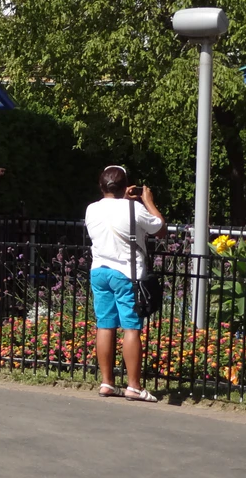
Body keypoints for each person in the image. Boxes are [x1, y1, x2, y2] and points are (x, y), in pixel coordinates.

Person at [85, 165, 165, 401]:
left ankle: (106, 383)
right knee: (131, 327)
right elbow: (160, 229)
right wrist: (147, 200)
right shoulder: (135, 208)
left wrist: (122, 198)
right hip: (126, 274)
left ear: (101, 186)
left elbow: (112, 210)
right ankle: (134, 386)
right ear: (125, 185)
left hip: (99, 271)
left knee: (105, 325)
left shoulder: (91, 209)